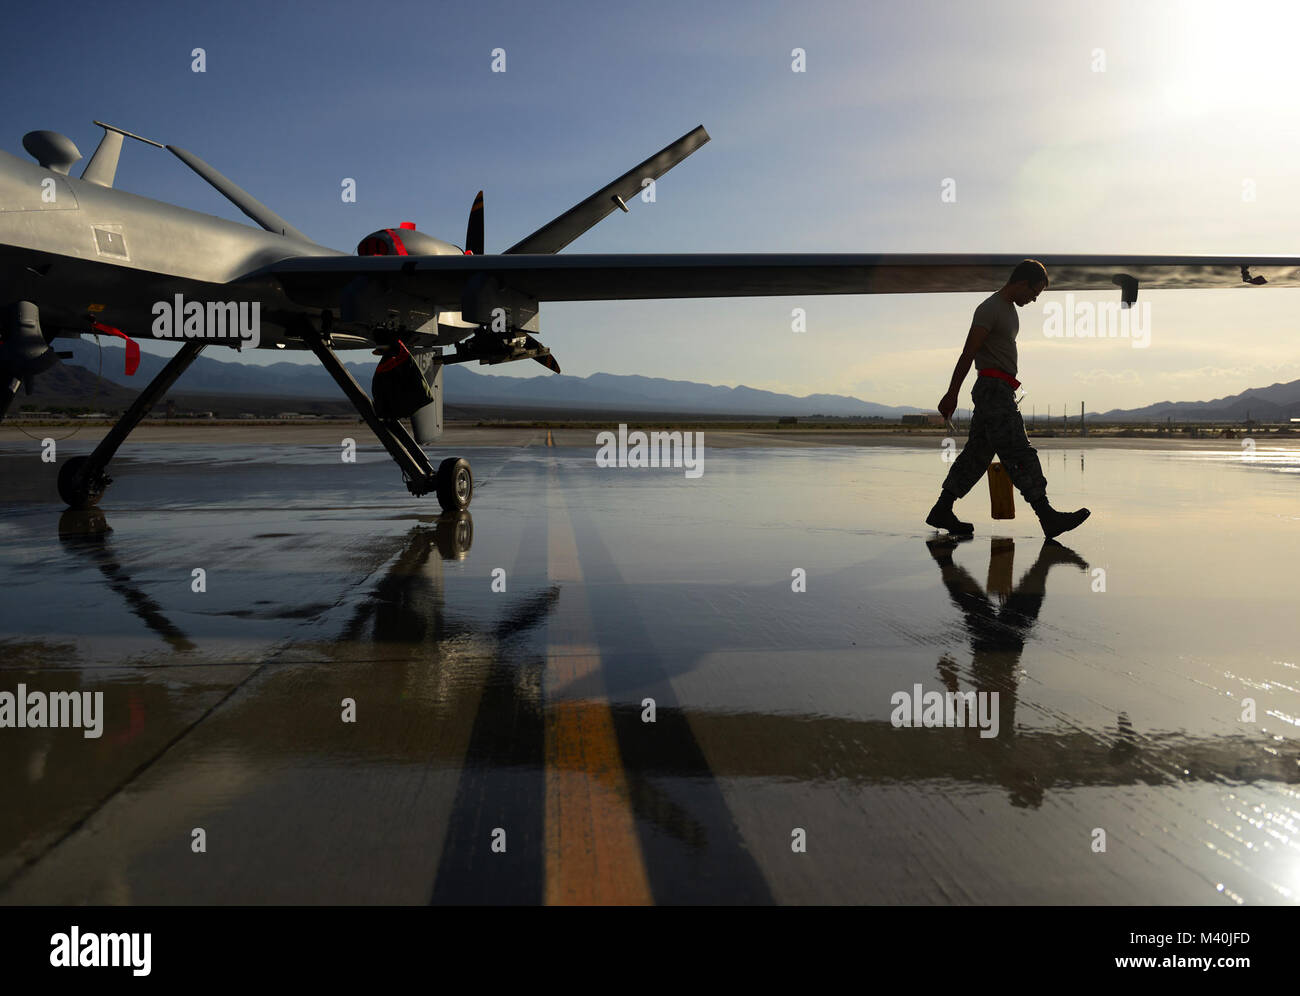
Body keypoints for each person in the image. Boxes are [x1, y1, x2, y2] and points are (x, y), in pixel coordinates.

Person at [926, 259, 1090, 539]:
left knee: (977, 455)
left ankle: (943, 508)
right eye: (1033, 293)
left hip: (1000, 388)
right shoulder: (990, 309)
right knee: (1019, 451)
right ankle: (1046, 515)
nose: (1034, 299)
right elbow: (968, 353)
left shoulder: (1010, 311)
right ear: (1021, 283)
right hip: (993, 391)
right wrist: (952, 393)